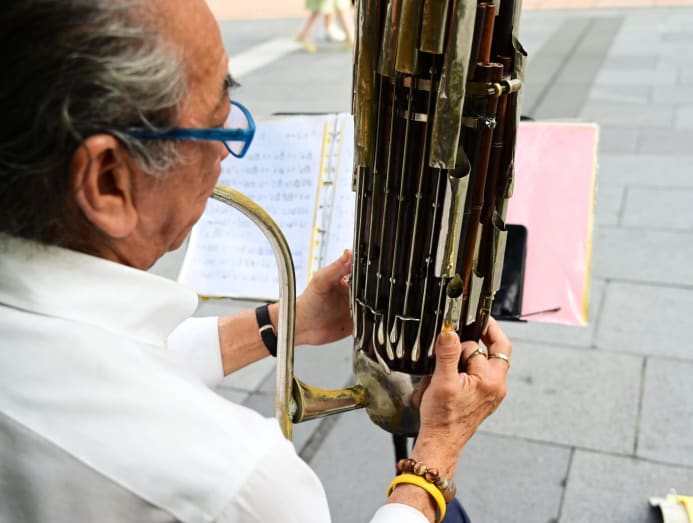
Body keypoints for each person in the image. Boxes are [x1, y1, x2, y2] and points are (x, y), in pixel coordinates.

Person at [0, 1, 512, 522]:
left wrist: (282, 323)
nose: (225, 154)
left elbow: (107, 361)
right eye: (216, 125)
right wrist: (432, 460)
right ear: (109, 181)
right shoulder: (236, 480)